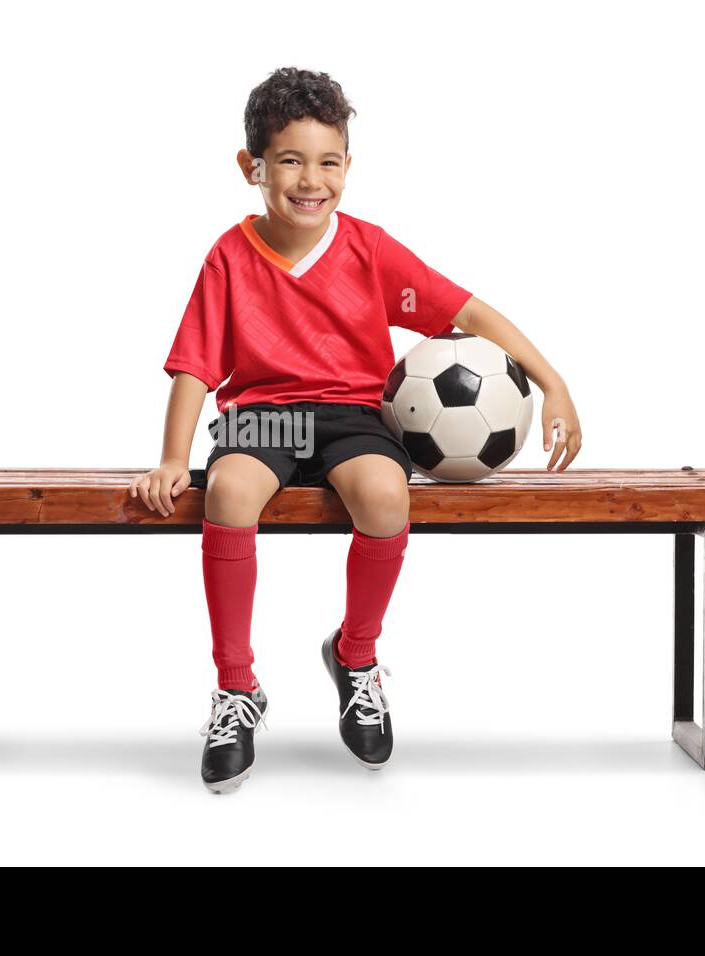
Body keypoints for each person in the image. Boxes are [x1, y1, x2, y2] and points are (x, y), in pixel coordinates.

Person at [129, 67, 583, 793]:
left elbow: (469, 313)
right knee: (231, 493)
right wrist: (171, 458)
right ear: (252, 168)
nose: (311, 180)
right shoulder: (229, 255)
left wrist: (553, 382)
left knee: (383, 494)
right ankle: (236, 687)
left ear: (348, 166)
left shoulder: (369, 250)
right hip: (264, 418)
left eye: (328, 161)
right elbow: (193, 367)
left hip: (352, 417)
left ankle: (356, 656)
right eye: (289, 161)